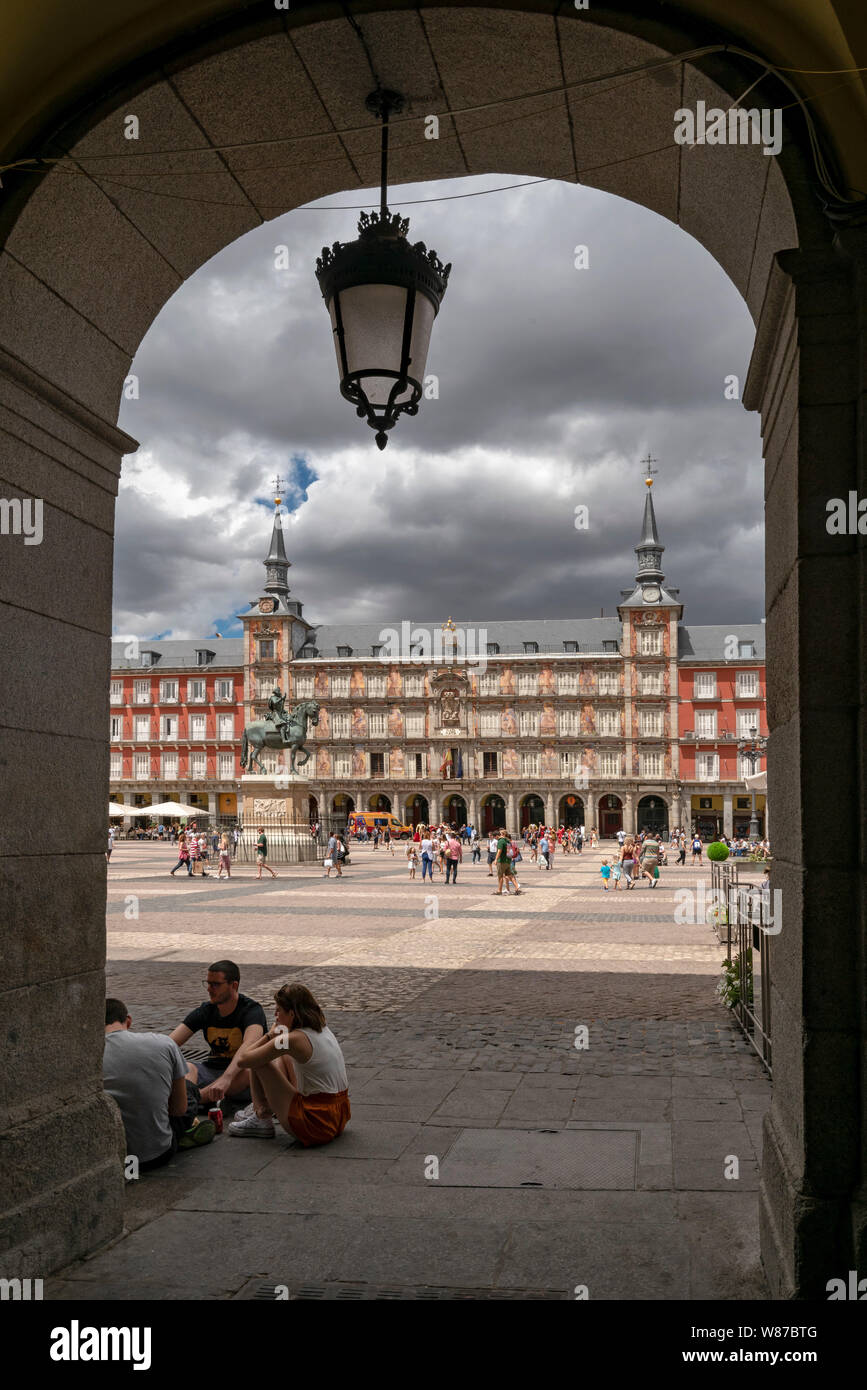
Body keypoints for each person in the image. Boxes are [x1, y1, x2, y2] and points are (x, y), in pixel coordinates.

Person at [229, 983, 350, 1147]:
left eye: (278, 1011)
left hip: (315, 1123)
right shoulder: (321, 1028)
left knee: (259, 1061)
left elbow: (244, 1059)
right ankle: (266, 1107)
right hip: (337, 1114)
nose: (275, 1015)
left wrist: (270, 1035)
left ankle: (261, 1117)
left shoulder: (290, 1040)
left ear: (292, 1014)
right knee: (284, 1057)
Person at [103, 998, 210, 1169]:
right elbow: (178, 1110)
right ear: (128, 1020)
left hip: (112, 1159)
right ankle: (188, 1127)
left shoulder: (84, 1057)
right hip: (154, 1155)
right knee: (189, 1092)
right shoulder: (163, 1043)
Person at [170, 960, 267, 1106]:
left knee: (249, 1071)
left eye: (215, 984)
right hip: (211, 1070)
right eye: (208, 983)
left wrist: (226, 1078)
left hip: (240, 1076)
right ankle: (195, 1102)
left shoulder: (251, 1010)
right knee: (187, 1067)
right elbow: (169, 1043)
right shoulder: (206, 1010)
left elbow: (250, 1044)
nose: (209, 989)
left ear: (234, 985)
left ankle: (191, 1102)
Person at [493, 827, 523, 896]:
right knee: (510, 875)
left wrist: (496, 859)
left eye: (495, 837)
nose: (495, 839)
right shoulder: (507, 841)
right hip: (508, 861)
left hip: (502, 861)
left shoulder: (500, 841)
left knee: (500, 876)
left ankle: (499, 890)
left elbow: (499, 851)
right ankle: (517, 888)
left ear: (497, 836)